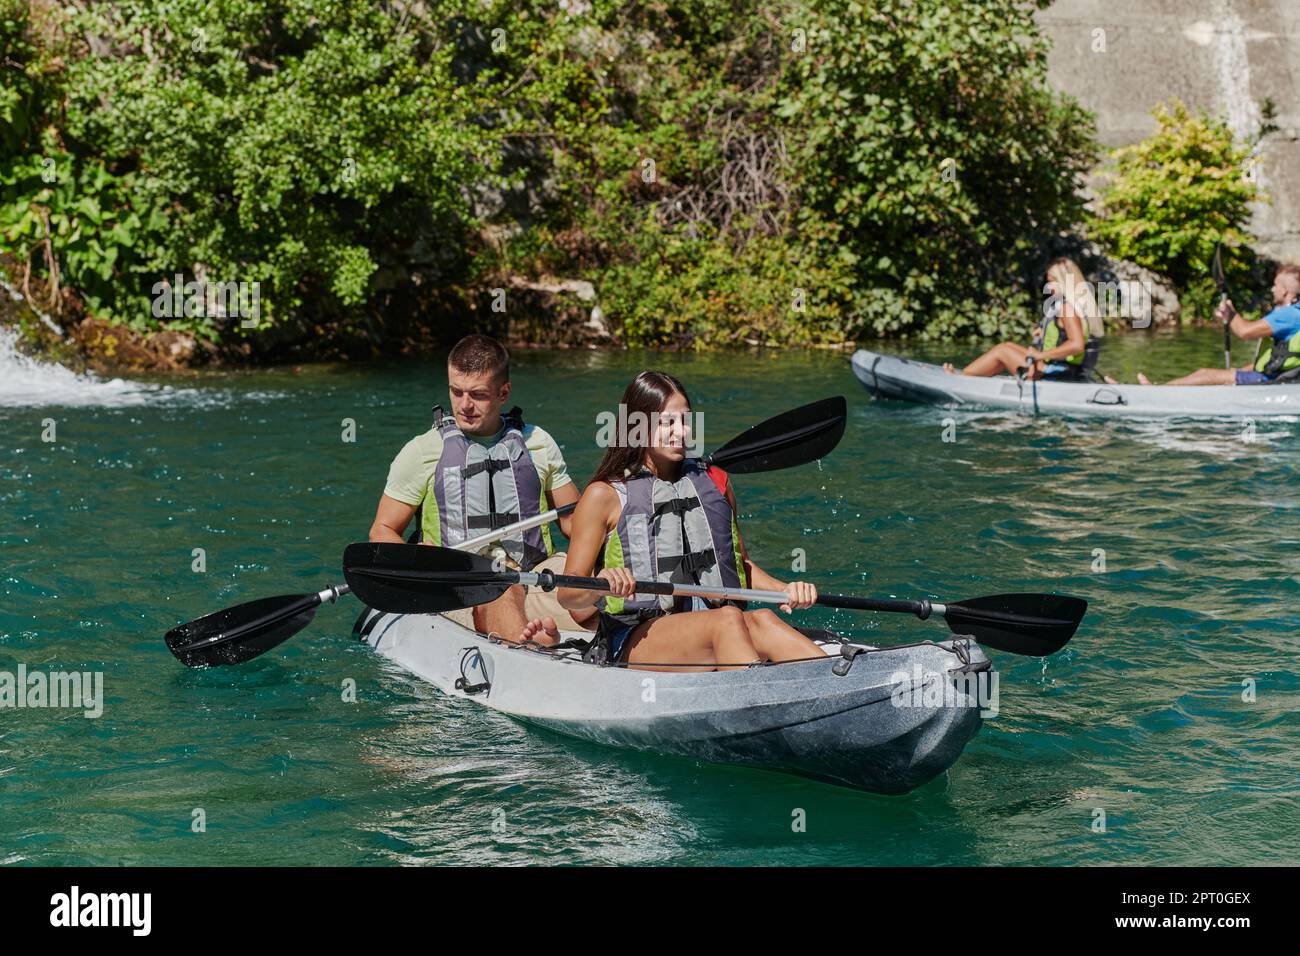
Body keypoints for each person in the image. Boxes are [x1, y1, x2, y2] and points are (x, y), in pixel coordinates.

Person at [557, 371, 828, 672]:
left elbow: (740, 567)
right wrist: (601, 584)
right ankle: (756, 695)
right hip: (634, 638)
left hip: (712, 626)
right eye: (668, 422)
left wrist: (784, 590)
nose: (682, 431)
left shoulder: (714, 483)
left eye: (685, 420)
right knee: (727, 620)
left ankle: (840, 685)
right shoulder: (604, 495)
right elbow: (568, 595)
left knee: (763, 619)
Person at [369, 334, 595, 645]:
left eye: (477, 394)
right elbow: (382, 529)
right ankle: (531, 646)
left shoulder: (538, 443)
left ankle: (614, 639)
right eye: (456, 391)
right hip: (462, 581)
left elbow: (576, 523)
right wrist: (417, 557)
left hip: (534, 572)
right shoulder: (422, 451)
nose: (464, 405)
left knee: (595, 587)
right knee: (500, 584)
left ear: (504, 392)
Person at [1135, 265, 1300, 386]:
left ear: (1284, 290)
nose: (1272, 289)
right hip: (1277, 377)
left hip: (1272, 381)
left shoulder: (1289, 315)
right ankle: (1162, 389)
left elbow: (1245, 332)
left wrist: (1231, 314)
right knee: (1226, 374)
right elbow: (1277, 358)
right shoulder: (1293, 313)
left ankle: (1157, 392)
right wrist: (1237, 372)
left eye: (1275, 285)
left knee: (1204, 374)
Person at [943, 257, 1103, 380]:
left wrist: (1041, 356)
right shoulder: (1079, 305)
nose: (1048, 287)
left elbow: (1076, 345)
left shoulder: (1068, 308)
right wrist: (1044, 333)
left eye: (1052, 282)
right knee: (1006, 345)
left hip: (1057, 375)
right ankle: (970, 377)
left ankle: (961, 380)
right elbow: (1067, 336)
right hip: (1066, 371)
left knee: (1002, 351)